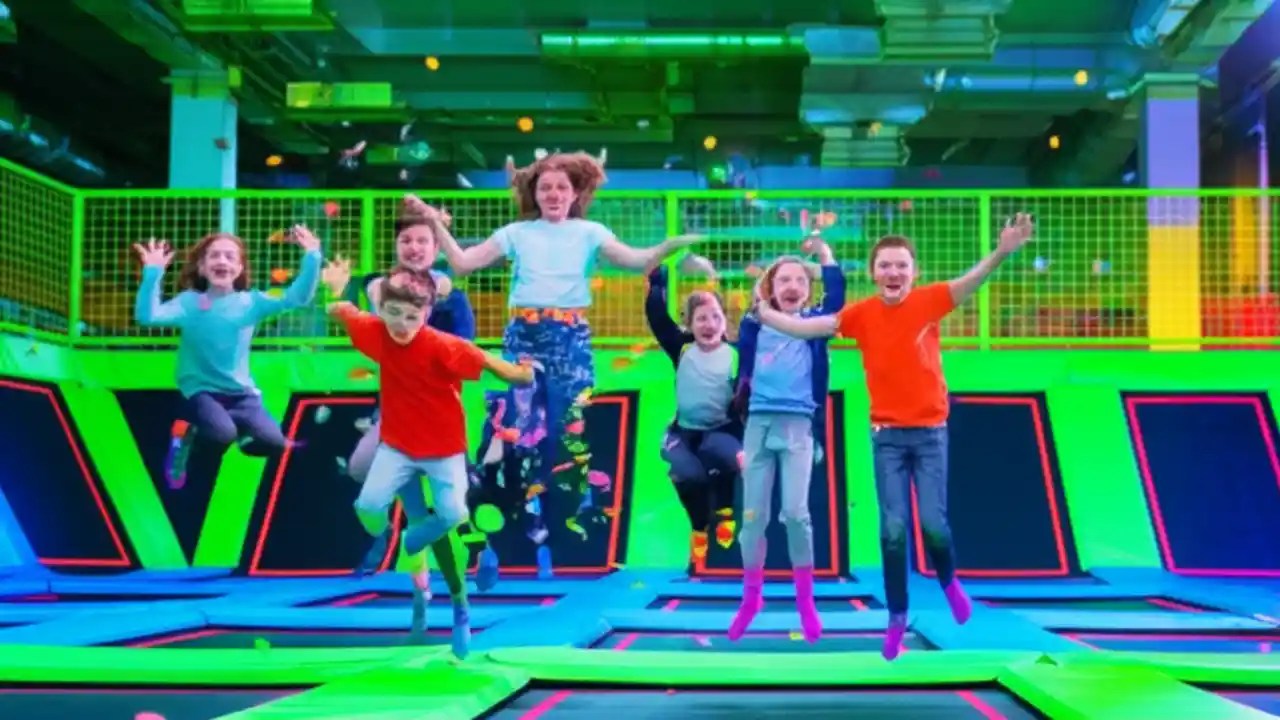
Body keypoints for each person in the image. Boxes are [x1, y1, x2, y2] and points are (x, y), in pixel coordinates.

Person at [755, 213, 1035, 660]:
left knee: (934, 525)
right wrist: (766, 312)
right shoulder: (862, 315)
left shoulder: (929, 301)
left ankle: (948, 581)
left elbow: (972, 280)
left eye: (901, 265)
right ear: (873, 273)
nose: (893, 273)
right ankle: (897, 617)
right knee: (892, 529)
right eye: (885, 265)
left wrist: (1003, 250)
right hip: (887, 437)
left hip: (930, 435)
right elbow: (808, 328)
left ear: (914, 271)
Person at [407, 151, 699, 578]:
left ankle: (549, 529)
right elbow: (463, 264)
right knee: (514, 432)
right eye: (545, 188)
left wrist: (670, 246)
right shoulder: (517, 233)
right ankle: (484, 512)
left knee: (563, 439)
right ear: (534, 193)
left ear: (576, 193)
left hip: (570, 340)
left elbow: (637, 259)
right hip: (525, 336)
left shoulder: (589, 231)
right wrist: (433, 222)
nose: (554, 195)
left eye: (562, 187)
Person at [327, 263, 533, 659]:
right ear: (381, 307)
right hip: (398, 446)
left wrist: (522, 375)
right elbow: (346, 314)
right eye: (394, 315)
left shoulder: (442, 346)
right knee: (369, 507)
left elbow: (488, 362)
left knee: (451, 517)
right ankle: (403, 554)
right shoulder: (373, 332)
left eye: (412, 318)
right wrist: (333, 296)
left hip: (443, 450)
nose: (402, 326)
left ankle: (458, 606)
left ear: (426, 315)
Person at [336, 209, 485, 586]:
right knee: (362, 469)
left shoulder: (452, 299)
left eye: (423, 241)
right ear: (395, 246)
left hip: (438, 418)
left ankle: (474, 552)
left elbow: (466, 351)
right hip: (395, 412)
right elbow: (364, 310)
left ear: (437, 248)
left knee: (453, 505)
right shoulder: (377, 287)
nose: (414, 247)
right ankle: (391, 541)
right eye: (406, 241)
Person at [133, 229, 322, 489]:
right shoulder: (190, 303)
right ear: (201, 267)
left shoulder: (251, 302)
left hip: (241, 394)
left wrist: (312, 256)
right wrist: (153, 273)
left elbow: (297, 298)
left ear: (240, 268)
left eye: (230, 257)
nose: (222, 261)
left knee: (273, 443)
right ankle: (184, 436)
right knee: (221, 435)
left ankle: (241, 431)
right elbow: (148, 316)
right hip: (201, 391)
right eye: (214, 256)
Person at [728, 237, 845, 644]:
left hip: (797, 426)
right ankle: (751, 598)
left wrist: (826, 257)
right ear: (772, 288)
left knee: (796, 514)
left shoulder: (815, 323)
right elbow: (742, 369)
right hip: (758, 424)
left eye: (800, 280)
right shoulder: (754, 323)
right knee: (752, 520)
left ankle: (806, 601)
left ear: (809, 290)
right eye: (784, 280)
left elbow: (839, 298)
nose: (793, 286)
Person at [644, 261, 741, 570]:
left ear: (726, 322)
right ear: (689, 324)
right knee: (688, 476)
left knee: (730, 459)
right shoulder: (682, 348)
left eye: (715, 317)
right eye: (701, 318)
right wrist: (656, 283)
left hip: (723, 430)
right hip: (684, 433)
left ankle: (725, 509)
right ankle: (699, 528)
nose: (709, 324)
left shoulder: (737, 353)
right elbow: (658, 319)